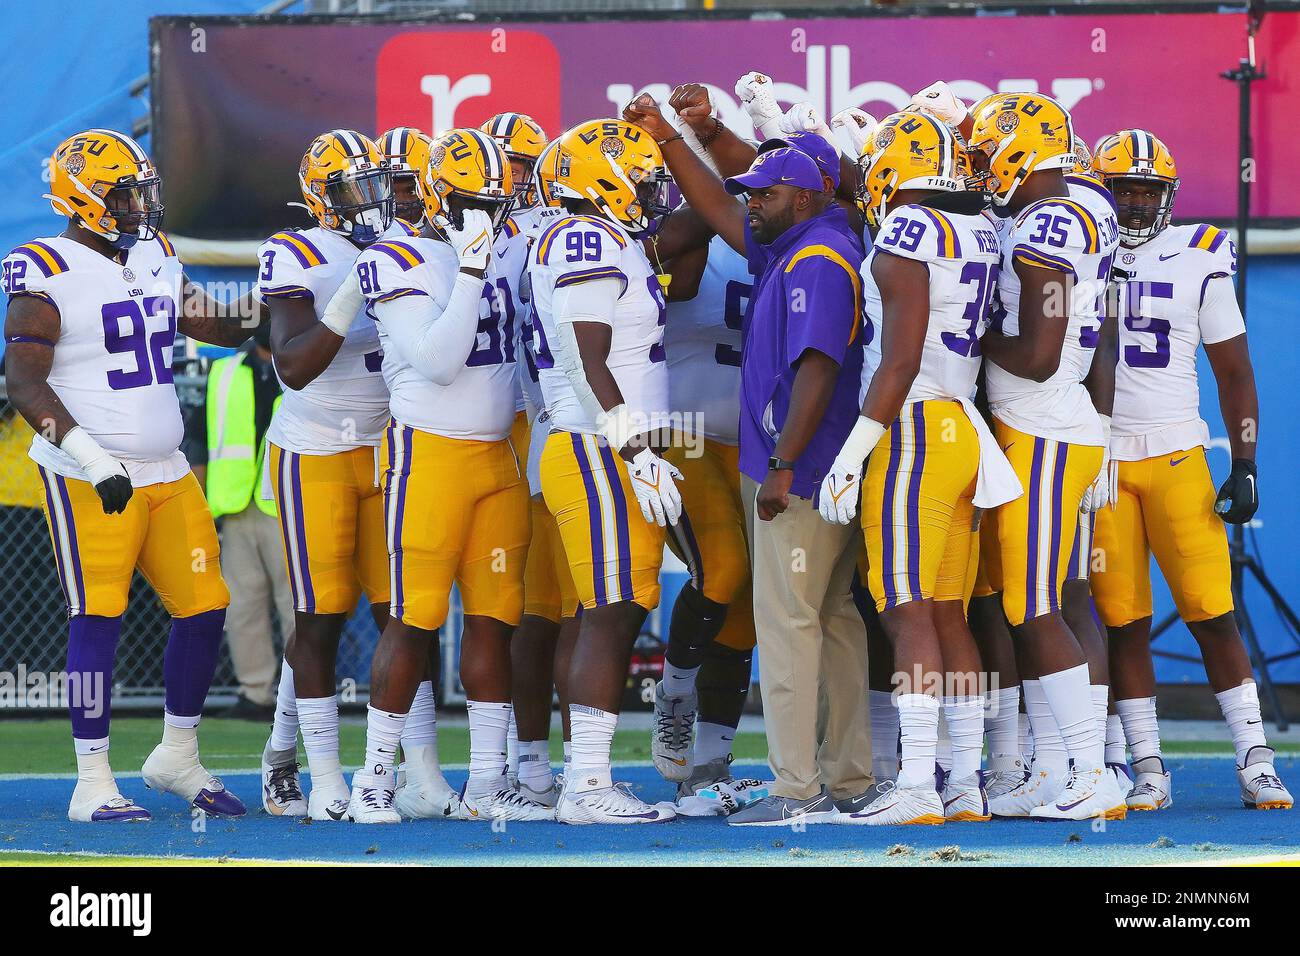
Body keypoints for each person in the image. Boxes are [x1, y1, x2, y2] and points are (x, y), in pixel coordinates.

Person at [624, 94, 874, 827]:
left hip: (802, 468)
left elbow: (820, 367)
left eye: (767, 193)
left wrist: (785, 464)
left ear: (806, 193)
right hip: (806, 463)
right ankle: (847, 778)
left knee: (791, 623)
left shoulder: (821, 255)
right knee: (831, 619)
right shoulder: (799, 240)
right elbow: (720, 205)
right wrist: (679, 138)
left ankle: (799, 787)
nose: (752, 204)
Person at [2, 128, 259, 822]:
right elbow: (23, 383)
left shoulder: (153, 252)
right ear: (83, 196)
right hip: (87, 473)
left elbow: (208, 322)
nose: (138, 205)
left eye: (141, 191)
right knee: (98, 614)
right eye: (123, 193)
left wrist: (273, 305)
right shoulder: (40, 267)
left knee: (205, 606)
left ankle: (177, 755)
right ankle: (92, 781)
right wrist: (90, 457)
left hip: (167, 468)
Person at [819, 110, 1020, 824]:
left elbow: (900, 357)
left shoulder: (910, 228)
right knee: (947, 612)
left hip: (913, 429)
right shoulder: (977, 227)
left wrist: (851, 453)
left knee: (905, 614)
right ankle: (963, 782)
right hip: (962, 426)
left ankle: (913, 785)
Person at [1090, 129, 1291, 811]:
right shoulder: (1077, 252)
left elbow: (1234, 369)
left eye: (1150, 190)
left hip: (1177, 453)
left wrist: (1245, 462)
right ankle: (1147, 763)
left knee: (1212, 612)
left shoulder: (1200, 255)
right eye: (1127, 189)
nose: (1140, 202)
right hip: (1105, 461)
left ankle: (1255, 757)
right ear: (1104, 191)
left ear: (1168, 195)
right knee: (1123, 622)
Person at [349, 128, 538, 823]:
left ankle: (487, 784)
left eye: (494, 201)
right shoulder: (392, 256)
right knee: (414, 619)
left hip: (498, 456)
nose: (485, 215)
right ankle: (374, 780)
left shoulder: (508, 244)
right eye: (470, 202)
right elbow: (437, 360)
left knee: (495, 622)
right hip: (427, 454)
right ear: (434, 194)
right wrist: (467, 269)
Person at [961, 92, 1126, 821]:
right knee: (1029, 604)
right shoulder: (1069, 209)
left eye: (989, 152)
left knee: (1033, 605)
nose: (980, 166)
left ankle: (1093, 771)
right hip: (1050, 428)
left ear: (1020, 153)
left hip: (1046, 432)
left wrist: (961, 343)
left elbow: (1036, 353)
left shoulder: (1051, 221)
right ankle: (1056, 766)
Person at [530, 118, 680, 824]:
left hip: (609, 445)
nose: (652, 190)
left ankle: (586, 778)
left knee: (618, 609)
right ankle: (585, 785)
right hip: (598, 447)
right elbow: (588, 360)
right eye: (643, 175)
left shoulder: (610, 238)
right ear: (604, 179)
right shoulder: (583, 236)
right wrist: (637, 448)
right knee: (609, 612)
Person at [187, 327, 293, 726]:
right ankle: (256, 693)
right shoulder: (225, 372)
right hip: (235, 505)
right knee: (244, 605)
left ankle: (303, 695)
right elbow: (200, 439)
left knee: (295, 605)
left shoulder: (305, 367)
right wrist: (200, 507)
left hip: (286, 506)